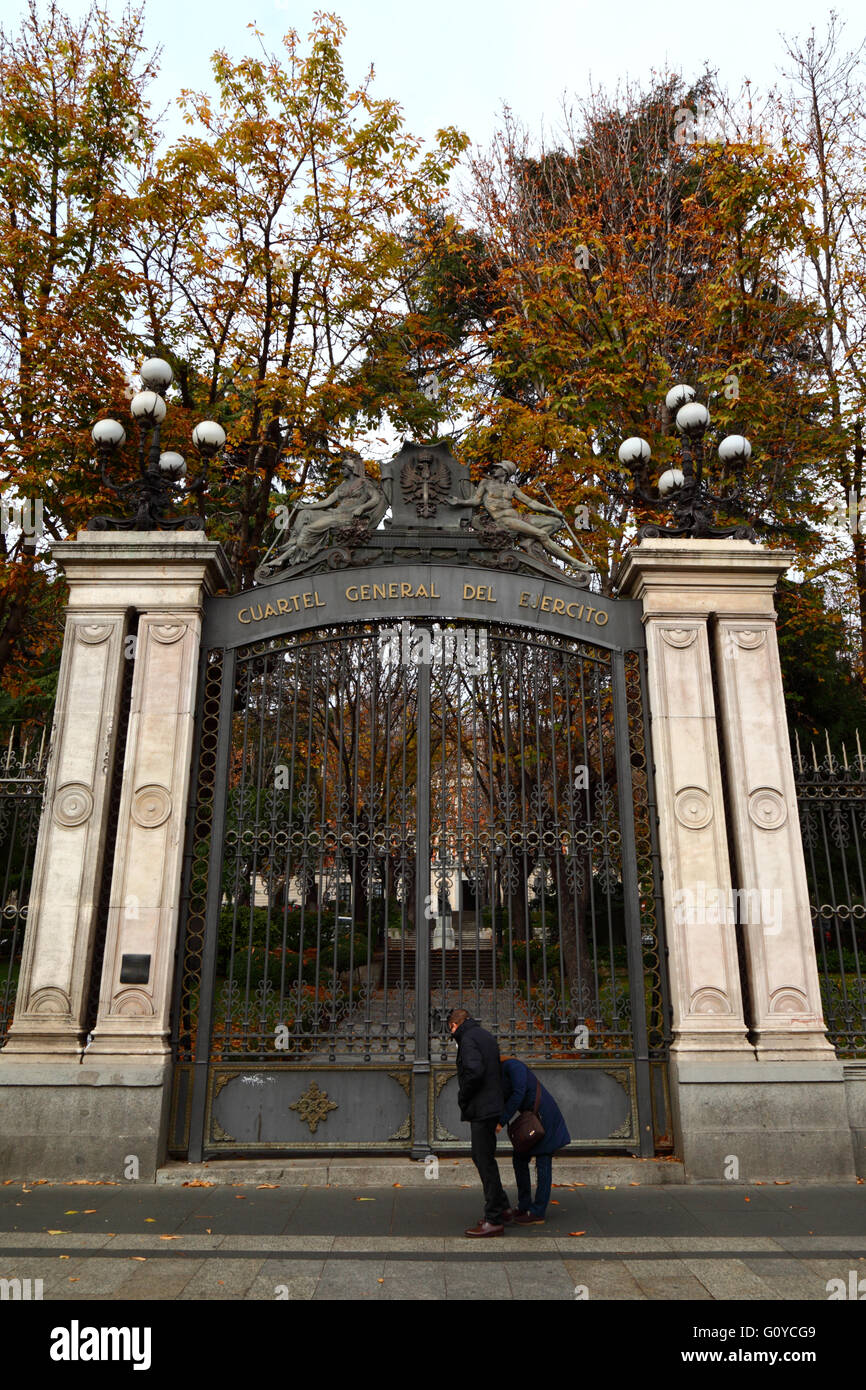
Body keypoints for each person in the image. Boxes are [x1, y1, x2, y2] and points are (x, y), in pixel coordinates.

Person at [448, 1007, 511, 1237]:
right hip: (492, 1104)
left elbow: (474, 1071)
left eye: (451, 1031)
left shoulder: (466, 1039)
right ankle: (502, 1207)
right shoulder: (484, 1035)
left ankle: (494, 1218)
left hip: (482, 1107)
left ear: (454, 1025)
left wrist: (463, 1096)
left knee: (482, 1158)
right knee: (486, 1157)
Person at [498, 1057, 571, 1224]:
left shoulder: (513, 1066)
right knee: (519, 1158)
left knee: (543, 1161)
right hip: (532, 1117)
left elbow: (518, 1093)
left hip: (544, 1116)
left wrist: (501, 1121)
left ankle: (538, 1211)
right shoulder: (499, 1073)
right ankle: (524, 1206)